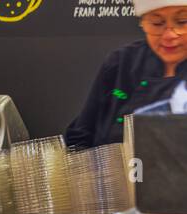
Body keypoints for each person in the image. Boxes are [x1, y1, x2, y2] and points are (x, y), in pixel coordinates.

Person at [66, 2, 187, 148]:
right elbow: (81, 135)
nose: (169, 35)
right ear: (143, 23)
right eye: (157, 23)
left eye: (182, 21)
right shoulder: (121, 63)